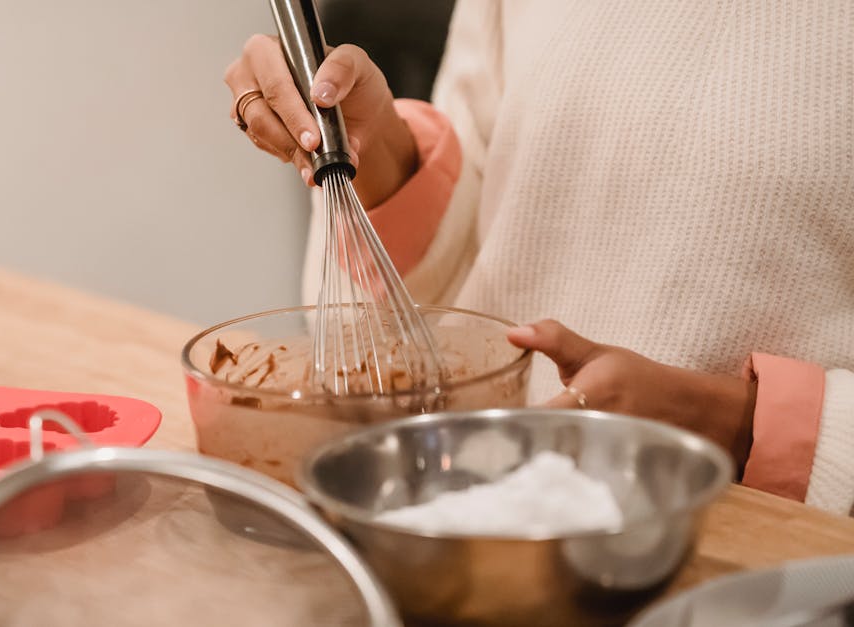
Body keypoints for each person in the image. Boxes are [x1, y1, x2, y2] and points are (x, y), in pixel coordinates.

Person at [224, 1, 854, 515]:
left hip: (746, 555)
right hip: (472, 509)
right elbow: (485, 211)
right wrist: (378, 151)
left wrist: (733, 424)